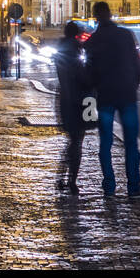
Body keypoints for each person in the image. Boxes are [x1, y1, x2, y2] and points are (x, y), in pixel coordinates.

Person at [83, 2, 140, 198]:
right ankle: (133, 187)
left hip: (105, 97)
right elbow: (137, 65)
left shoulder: (92, 41)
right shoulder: (126, 35)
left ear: (95, 18)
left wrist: (96, 88)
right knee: (131, 144)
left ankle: (109, 186)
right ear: (110, 14)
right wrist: (132, 86)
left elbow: (89, 74)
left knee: (105, 144)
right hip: (127, 95)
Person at [53, 23, 90, 196]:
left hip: (65, 99)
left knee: (73, 140)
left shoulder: (63, 49)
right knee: (76, 141)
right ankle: (71, 181)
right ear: (76, 34)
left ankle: (63, 177)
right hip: (76, 100)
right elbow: (82, 76)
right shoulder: (73, 51)